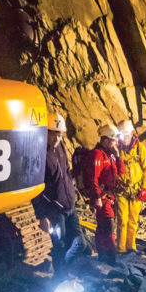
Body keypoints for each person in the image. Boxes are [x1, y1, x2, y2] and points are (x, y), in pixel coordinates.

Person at [32, 112, 90, 273]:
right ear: (45, 132)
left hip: (70, 206)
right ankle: (60, 277)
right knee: (60, 245)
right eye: (53, 134)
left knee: (80, 243)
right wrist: (42, 216)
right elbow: (35, 189)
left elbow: (66, 172)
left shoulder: (61, 147)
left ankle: (64, 268)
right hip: (54, 210)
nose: (57, 138)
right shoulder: (39, 154)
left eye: (60, 134)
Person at [115, 119, 146, 254]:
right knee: (122, 219)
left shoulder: (139, 148)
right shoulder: (117, 149)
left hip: (136, 190)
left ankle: (131, 246)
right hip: (122, 190)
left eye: (126, 135)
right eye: (122, 136)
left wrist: (145, 188)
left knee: (133, 220)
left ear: (131, 134)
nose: (124, 138)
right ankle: (121, 248)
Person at [89, 123, 120, 263]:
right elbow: (93, 177)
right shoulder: (97, 154)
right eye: (113, 140)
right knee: (107, 226)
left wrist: (118, 157)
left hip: (109, 196)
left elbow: (120, 172)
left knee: (103, 226)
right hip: (102, 197)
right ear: (106, 140)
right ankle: (109, 258)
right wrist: (97, 197)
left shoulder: (110, 155)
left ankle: (104, 256)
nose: (115, 143)